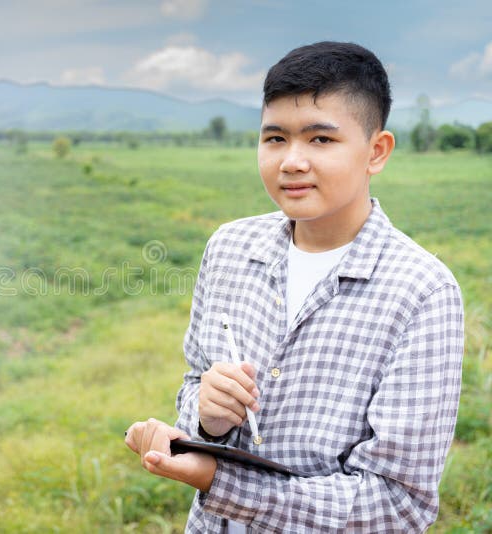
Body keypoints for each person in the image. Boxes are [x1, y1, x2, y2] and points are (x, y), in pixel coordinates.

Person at [124, 41, 464, 533]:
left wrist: (222, 481)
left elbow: (398, 504)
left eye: (320, 140)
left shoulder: (421, 292)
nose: (292, 161)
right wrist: (206, 417)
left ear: (376, 151)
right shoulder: (229, 248)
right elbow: (195, 382)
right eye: (275, 138)